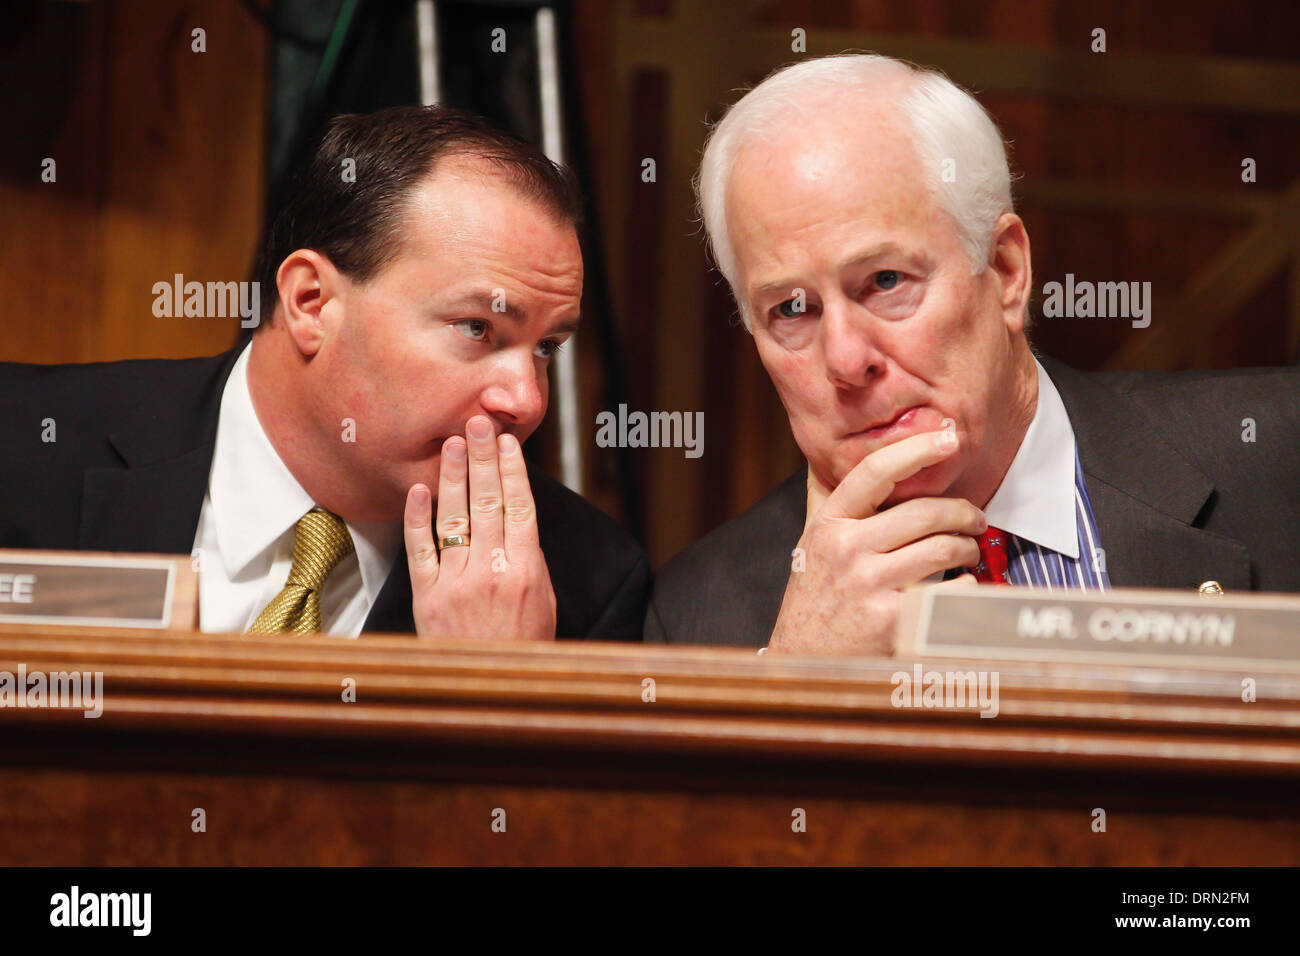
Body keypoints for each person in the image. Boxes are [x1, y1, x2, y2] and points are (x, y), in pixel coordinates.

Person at [647, 53, 1300, 653]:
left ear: (1007, 270)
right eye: (791, 309)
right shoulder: (700, 615)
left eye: (885, 282)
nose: (847, 361)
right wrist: (792, 698)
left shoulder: (1273, 456)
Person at [0, 105, 648, 641]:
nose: (526, 400)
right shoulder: (26, 448)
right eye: (478, 328)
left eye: (546, 347)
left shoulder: (583, 583)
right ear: (312, 303)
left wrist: (487, 693)